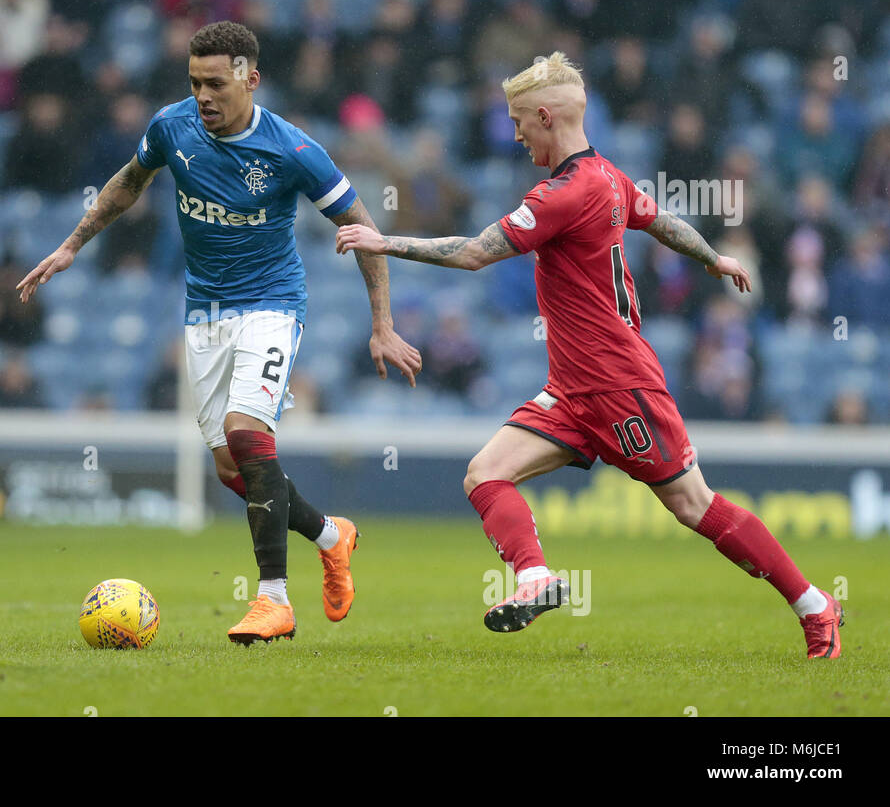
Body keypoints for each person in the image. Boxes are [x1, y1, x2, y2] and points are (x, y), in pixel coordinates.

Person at [336, 53, 844, 659]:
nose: (516, 134)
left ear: (546, 116)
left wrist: (382, 240)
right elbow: (663, 223)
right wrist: (714, 258)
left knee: (693, 506)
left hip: (619, 385)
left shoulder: (562, 193)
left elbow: (473, 253)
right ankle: (535, 579)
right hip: (572, 392)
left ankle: (815, 605)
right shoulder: (609, 177)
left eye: (520, 121)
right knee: (484, 473)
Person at [18, 21, 421, 645]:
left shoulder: (292, 150)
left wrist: (382, 325)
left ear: (250, 79)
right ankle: (331, 535)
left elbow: (362, 229)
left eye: (215, 83)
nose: (203, 95)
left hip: (272, 305)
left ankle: (273, 601)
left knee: (247, 434)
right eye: (194, 82)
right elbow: (130, 181)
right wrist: (73, 244)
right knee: (233, 470)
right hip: (203, 313)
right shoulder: (171, 126)